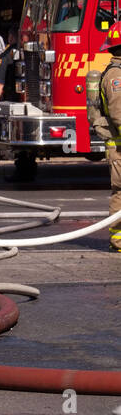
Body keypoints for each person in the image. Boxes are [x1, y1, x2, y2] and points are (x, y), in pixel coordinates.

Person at [92, 26, 121, 252]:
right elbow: (119, 114)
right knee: (120, 194)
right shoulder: (116, 77)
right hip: (119, 149)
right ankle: (119, 240)